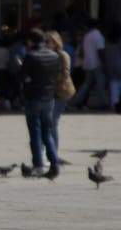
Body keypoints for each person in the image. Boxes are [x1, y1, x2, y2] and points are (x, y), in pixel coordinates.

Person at [20, 29, 60, 179]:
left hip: (33, 98)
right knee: (47, 132)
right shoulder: (54, 55)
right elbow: (54, 75)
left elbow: (23, 76)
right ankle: (54, 162)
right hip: (49, 98)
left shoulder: (30, 56)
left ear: (31, 41)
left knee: (35, 133)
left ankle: (38, 164)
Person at [45, 29, 73, 162]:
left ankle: (54, 152)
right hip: (49, 92)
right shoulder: (46, 55)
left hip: (61, 92)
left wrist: (51, 78)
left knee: (53, 122)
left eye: (48, 41)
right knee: (49, 122)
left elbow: (66, 73)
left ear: (55, 42)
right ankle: (51, 151)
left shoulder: (62, 55)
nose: (45, 44)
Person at [72, 19, 106, 109]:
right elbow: (100, 50)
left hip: (87, 63)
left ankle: (78, 100)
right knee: (100, 84)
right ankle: (103, 102)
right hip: (96, 63)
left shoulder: (87, 36)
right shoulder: (98, 35)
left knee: (87, 84)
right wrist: (104, 62)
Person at [104, 22, 121, 108]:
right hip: (120, 65)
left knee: (113, 86)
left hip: (110, 65)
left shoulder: (107, 40)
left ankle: (115, 104)